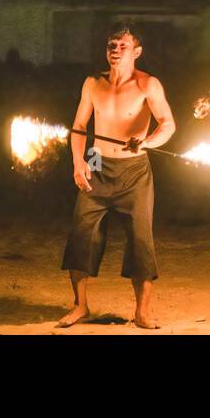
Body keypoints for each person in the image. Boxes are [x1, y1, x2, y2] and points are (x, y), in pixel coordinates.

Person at [58, 23, 176, 328]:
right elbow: (79, 127)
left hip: (134, 168)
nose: (115, 50)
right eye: (112, 44)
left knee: (140, 238)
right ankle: (80, 306)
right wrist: (78, 162)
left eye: (123, 46)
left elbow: (167, 125)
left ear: (137, 51)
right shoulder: (92, 84)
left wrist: (147, 141)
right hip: (97, 161)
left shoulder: (148, 85)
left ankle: (142, 312)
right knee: (82, 232)